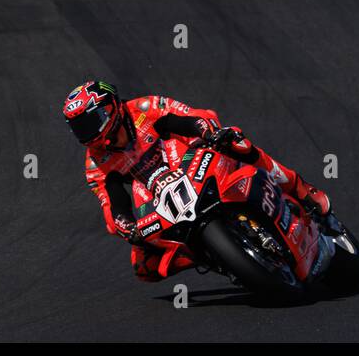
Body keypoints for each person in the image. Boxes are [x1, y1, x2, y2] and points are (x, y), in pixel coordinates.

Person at [62, 80, 329, 282]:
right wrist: (126, 226)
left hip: (186, 157)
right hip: (155, 193)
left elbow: (189, 117)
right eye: (78, 128)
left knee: (237, 142)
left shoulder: (143, 108)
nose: (85, 133)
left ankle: (298, 187)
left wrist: (206, 130)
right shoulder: (95, 163)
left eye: (90, 122)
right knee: (143, 268)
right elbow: (112, 203)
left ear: (110, 109)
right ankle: (207, 253)